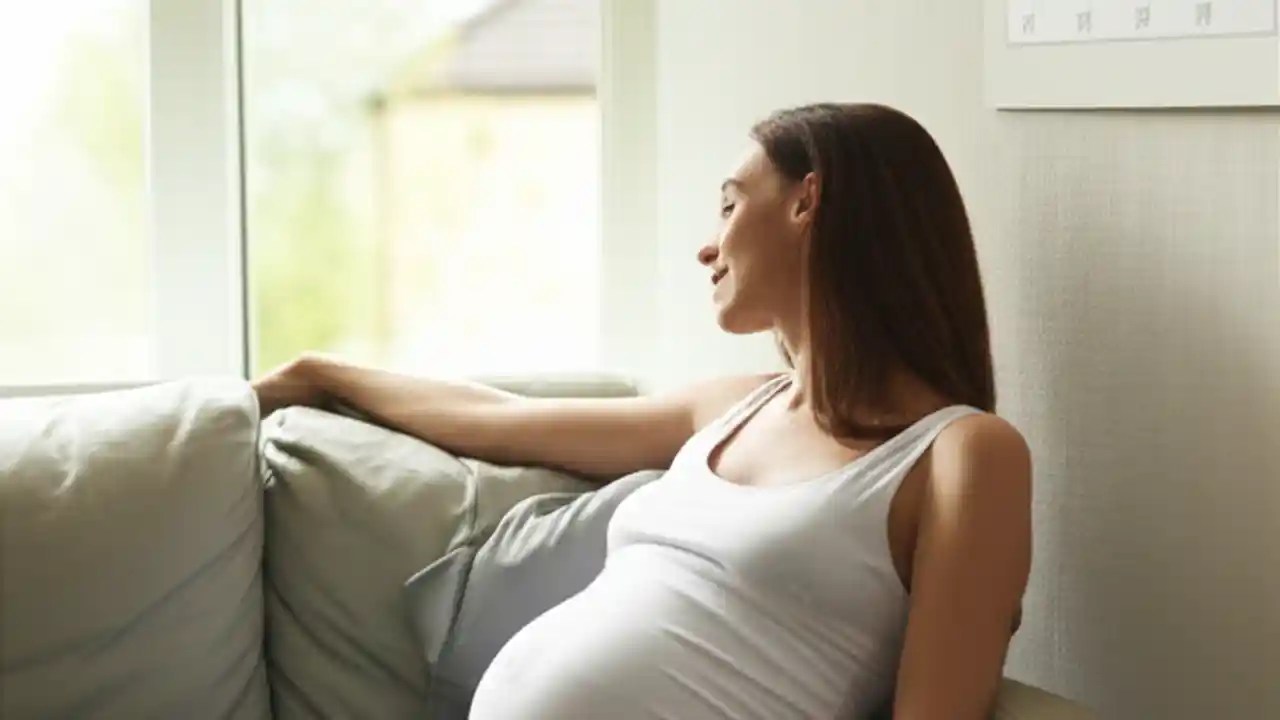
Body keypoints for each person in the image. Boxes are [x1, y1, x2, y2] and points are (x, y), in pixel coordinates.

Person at [254, 103, 1032, 719]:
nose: (708, 247)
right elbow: (500, 421)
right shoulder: (732, 408)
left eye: (730, 206)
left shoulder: (963, 454)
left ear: (809, 200)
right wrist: (324, 374)